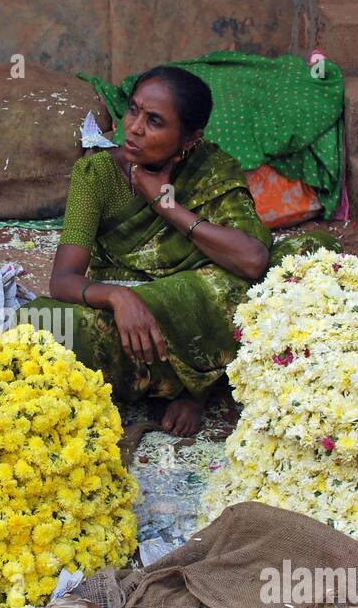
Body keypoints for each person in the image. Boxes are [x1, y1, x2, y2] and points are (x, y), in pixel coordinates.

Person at [22, 66, 336, 437]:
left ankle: (196, 389)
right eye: (134, 110)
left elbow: (252, 260)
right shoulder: (97, 175)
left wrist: (165, 205)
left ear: (189, 139)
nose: (134, 128)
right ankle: (203, 381)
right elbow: (63, 279)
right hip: (132, 323)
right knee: (40, 326)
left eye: (154, 121)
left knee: (303, 263)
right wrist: (119, 297)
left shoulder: (212, 167)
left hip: (202, 309)